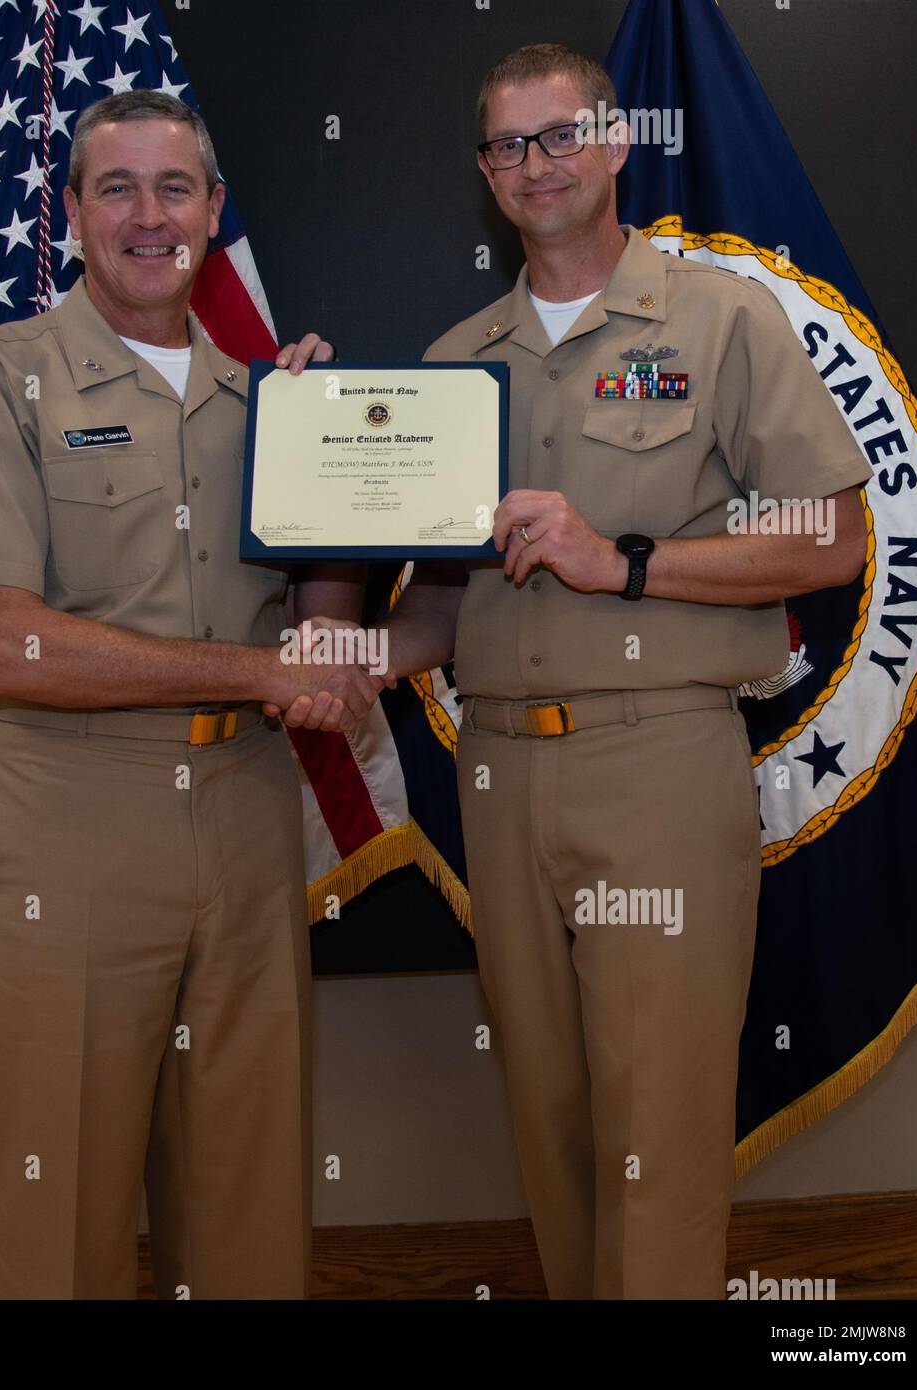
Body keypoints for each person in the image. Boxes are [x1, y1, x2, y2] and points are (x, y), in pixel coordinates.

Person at [291, 43, 871, 1299]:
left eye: (560, 137)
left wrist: (626, 562)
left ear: (617, 145)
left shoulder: (717, 317)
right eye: (507, 146)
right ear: (486, 175)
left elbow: (833, 541)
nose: (535, 166)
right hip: (498, 771)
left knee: (656, 1128)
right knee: (549, 1120)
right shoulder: (455, 364)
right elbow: (436, 610)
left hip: (655, 759)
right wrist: (331, 653)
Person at [0, 90, 376, 1300]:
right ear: (73, 214)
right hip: (72, 822)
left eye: (175, 188)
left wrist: (333, 489)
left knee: (251, 1211)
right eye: (116, 188)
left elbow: (319, 615)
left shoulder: (272, 403)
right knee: (57, 1226)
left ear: (214, 211)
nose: (148, 215)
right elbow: (4, 645)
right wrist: (269, 672)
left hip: (250, 816)